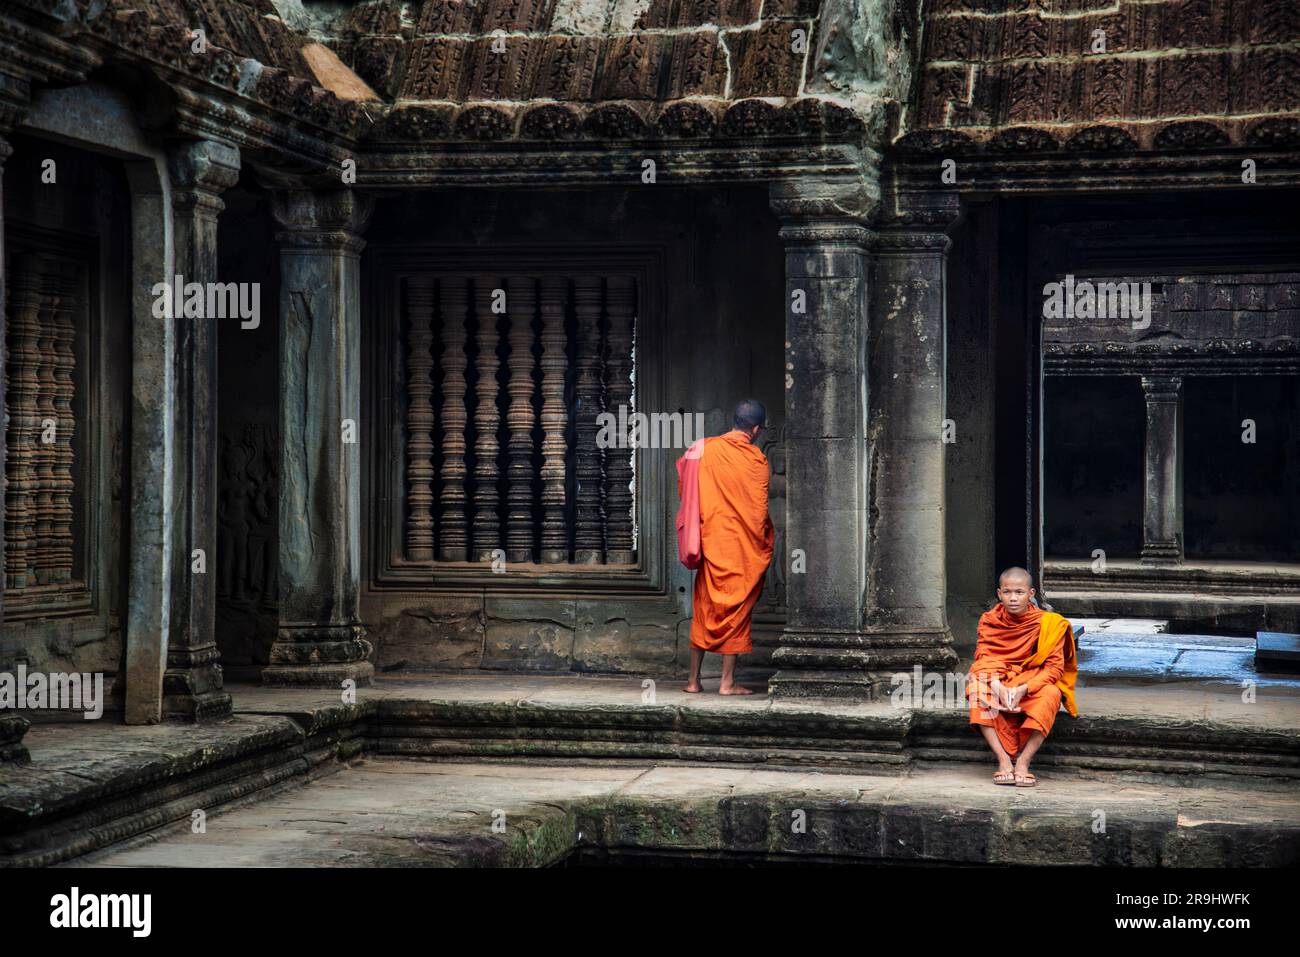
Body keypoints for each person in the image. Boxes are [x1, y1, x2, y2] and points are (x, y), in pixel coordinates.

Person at [681, 399, 774, 695]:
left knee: (705, 609)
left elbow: (687, 485)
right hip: (740, 547)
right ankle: (726, 682)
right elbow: (758, 513)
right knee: (735, 610)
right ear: (756, 429)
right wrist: (763, 541)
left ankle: (693, 681)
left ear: (734, 422)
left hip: (711, 543)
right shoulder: (756, 459)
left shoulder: (702, 448)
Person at [966, 567, 1079, 787]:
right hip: (999, 678)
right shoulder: (989, 620)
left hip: (1031, 681)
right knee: (976, 690)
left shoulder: (1050, 623)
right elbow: (983, 658)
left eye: (1019, 592)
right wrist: (997, 686)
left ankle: (1024, 763)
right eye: (1007, 592)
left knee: (1051, 694)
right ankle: (1004, 761)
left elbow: (1054, 669)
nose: (1013, 598)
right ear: (999, 594)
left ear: (1031, 593)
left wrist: (1023, 689)